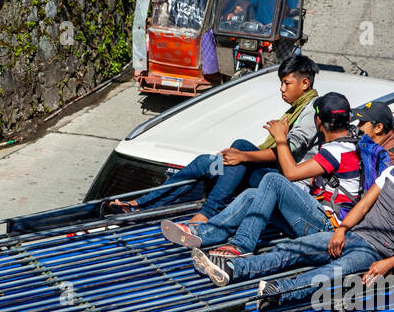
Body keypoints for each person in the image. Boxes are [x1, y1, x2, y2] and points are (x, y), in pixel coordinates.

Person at [187, 131, 394, 308]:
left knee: (331, 272)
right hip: (352, 234)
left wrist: (386, 264)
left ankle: (281, 292)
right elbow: (363, 205)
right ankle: (233, 269)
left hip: (375, 252)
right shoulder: (392, 172)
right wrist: (342, 231)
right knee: (293, 249)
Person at [115, 55, 320, 221]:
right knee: (206, 163)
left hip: (281, 182)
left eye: (286, 83)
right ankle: (141, 205)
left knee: (239, 150)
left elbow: (288, 150)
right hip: (265, 171)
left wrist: (244, 156)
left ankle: (207, 213)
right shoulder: (296, 108)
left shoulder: (311, 110)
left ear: (304, 83)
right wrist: (241, 156)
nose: (282, 89)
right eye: (281, 83)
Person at [160, 92, 362, 258]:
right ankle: (203, 233)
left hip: (324, 227)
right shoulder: (349, 143)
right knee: (252, 195)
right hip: (315, 217)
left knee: (273, 179)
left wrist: (281, 138)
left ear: (318, 120)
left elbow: (291, 174)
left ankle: (241, 246)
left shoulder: (338, 150)